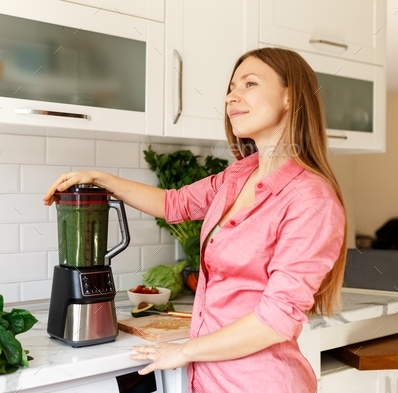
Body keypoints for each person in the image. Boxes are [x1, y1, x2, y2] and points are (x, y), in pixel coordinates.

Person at [43, 47, 346, 393]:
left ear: (290, 97)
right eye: (231, 87)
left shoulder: (311, 199)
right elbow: (175, 203)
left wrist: (183, 351)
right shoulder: (237, 177)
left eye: (249, 84)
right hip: (208, 380)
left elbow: (275, 322)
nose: (232, 97)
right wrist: (101, 179)